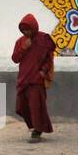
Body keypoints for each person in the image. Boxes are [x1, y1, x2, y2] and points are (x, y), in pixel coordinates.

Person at [11, 14, 55, 142]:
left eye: (28, 29)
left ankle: (37, 131)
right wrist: (24, 48)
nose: (26, 32)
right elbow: (15, 59)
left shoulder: (44, 39)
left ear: (34, 27)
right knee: (21, 106)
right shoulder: (20, 42)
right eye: (24, 30)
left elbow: (49, 57)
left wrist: (43, 71)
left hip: (36, 79)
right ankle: (33, 126)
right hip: (23, 79)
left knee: (36, 106)